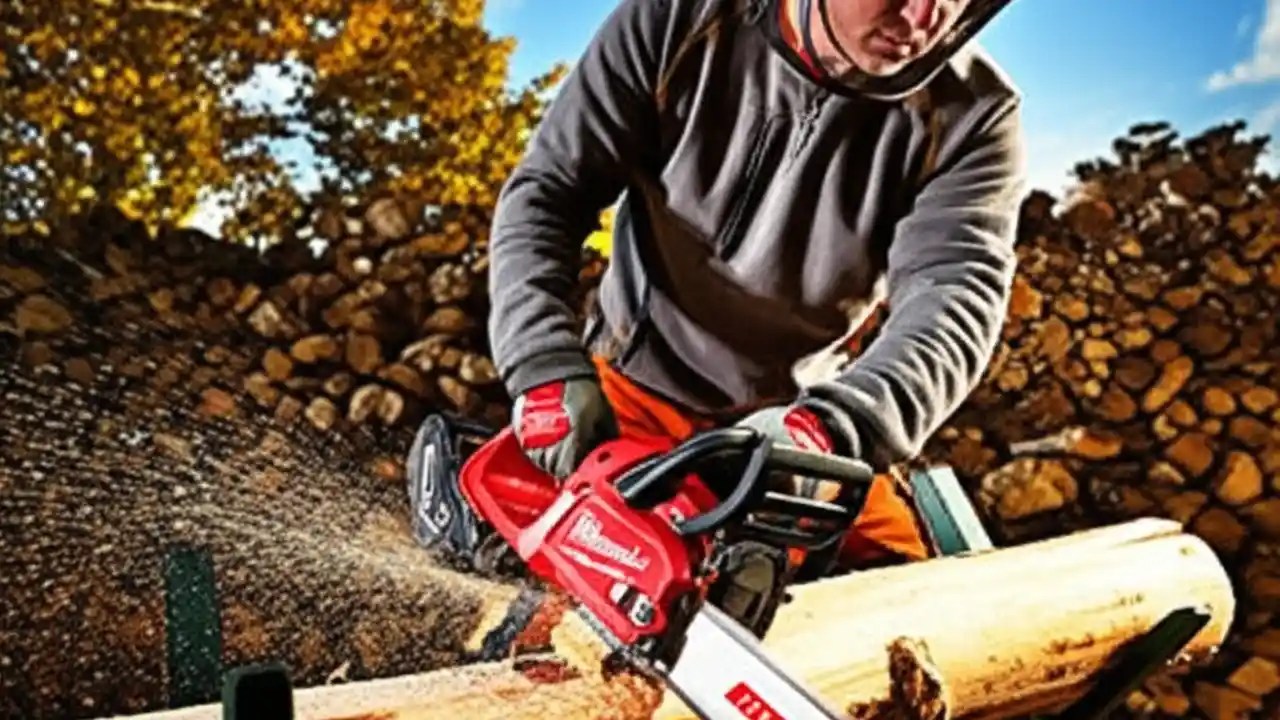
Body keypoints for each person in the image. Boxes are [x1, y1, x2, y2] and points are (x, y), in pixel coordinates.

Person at [411, 0, 1025, 625]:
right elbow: (550, 191)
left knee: (917, 614)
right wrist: (541, 365)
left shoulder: (975, 114)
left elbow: (956, 293)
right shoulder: (676, 19)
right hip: (634, 390)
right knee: (562, 633)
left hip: (798, 428)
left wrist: (837, 429)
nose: (924, 15)